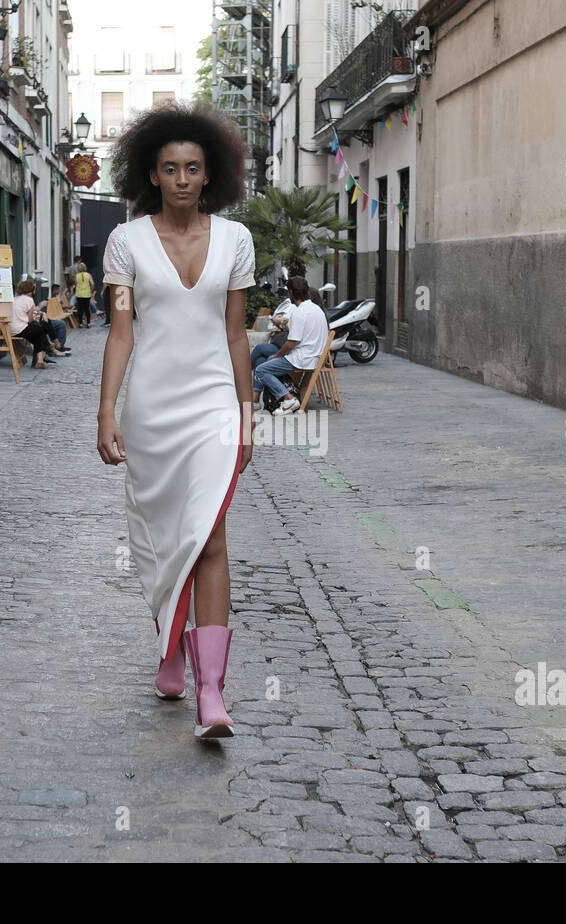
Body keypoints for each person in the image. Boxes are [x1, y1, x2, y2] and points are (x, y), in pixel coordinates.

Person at [97, 101, 256, 739]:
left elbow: (238, 336)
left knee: (210, 536)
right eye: (170, 168)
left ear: (209, 173)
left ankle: (212, 693)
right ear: (152, 175)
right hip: (153, 409)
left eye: (193, 167)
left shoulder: (237, 240)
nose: (183, 179)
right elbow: (119, 333)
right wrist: (106, 410)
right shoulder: (125, 241)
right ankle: (170, 649)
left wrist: (247, 418)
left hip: (215, 404)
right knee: (168, 540)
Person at [252, 275, 328, 415]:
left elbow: (291, 343)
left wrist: (276, 356)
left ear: (291, 292)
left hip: (302, 358)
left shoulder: (300, 312)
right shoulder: (316, 309)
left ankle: (289, 398)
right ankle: (256, 402)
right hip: (314, 356)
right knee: (263, 361)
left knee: (261, 369)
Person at [15, 278, 71, 357]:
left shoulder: (16, 299)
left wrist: (41, 313)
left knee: (44, 325)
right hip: (21, 328)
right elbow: (30, 319)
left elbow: (29, 313)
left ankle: (46, 355)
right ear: (31, 290)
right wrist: (41, 308)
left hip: (14, 328)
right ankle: (55, 347)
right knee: (44, 326)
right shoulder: (29, 300)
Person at [73, 261, 94, 328]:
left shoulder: (76, 276)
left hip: (79, 294)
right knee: (87, 308)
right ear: (85, 268)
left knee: (80, 309)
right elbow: (92, 283)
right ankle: (88, 323)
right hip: (87, 294)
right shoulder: (88, 275)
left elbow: (75, 284)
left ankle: (80, 323)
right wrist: (91, 289)